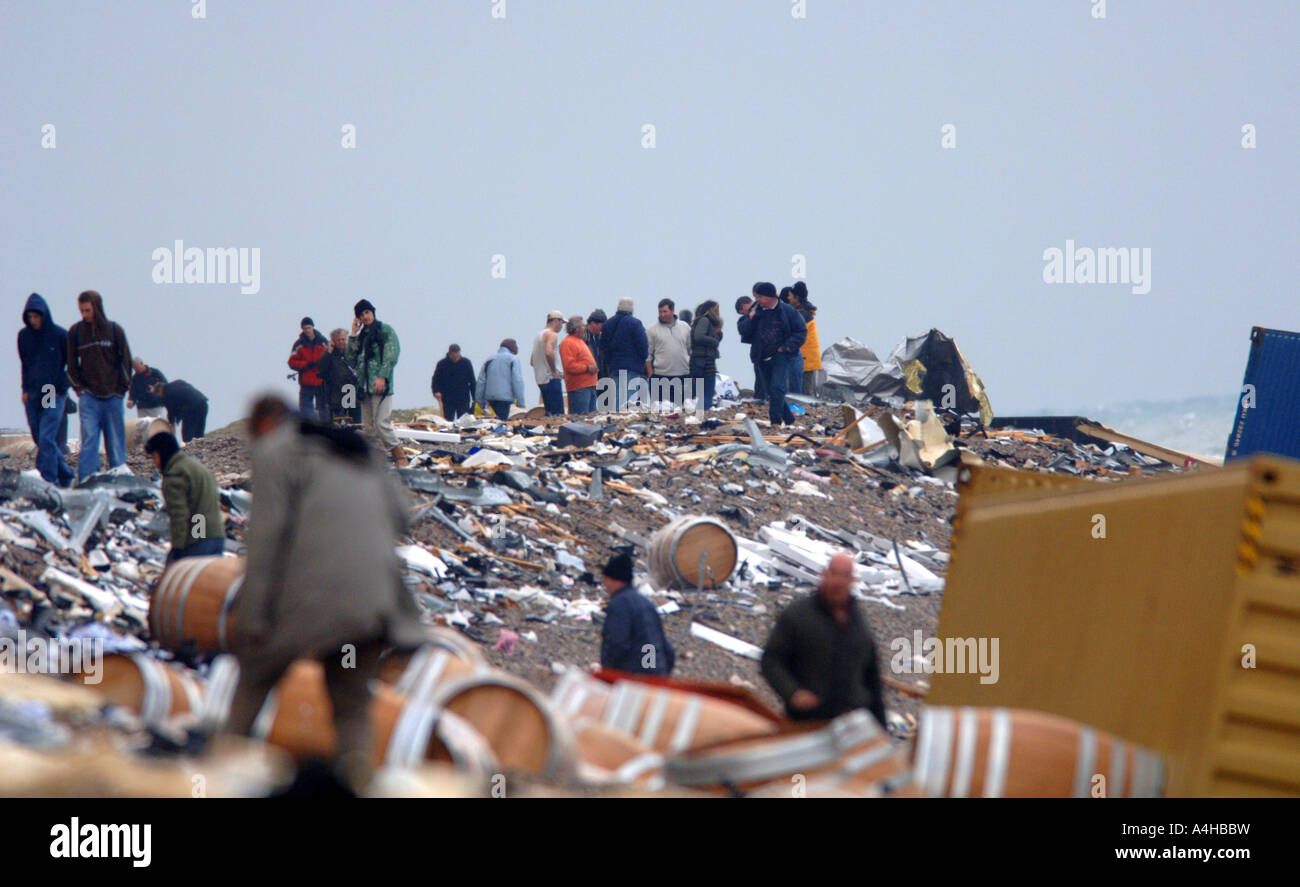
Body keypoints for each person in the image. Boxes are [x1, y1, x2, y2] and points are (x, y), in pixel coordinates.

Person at [222, 394, 427, 792]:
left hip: (316, 596)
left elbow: (267, 537)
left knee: (253, 679)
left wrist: (252, 618)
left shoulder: (277, 450)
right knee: (351, 705)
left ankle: (223, 772)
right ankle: (358, 779)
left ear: (265, 423)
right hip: (376, 604)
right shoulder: (351, 449)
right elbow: (403, 515)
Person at [760, 552, 887, 726]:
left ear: (853, 581)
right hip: (807, 722)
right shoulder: (798, 615)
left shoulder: (857, 621)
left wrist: (881, 726)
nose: (838, 582)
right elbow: (771, 660)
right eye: (834, 573)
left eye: (845, 576)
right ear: (824, 575)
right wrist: (793, 693)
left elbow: (872, 676)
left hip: (851, 723)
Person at [66, 290, 132, 482]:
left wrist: (122, 390)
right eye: (81, 311)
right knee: (89, 441)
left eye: (87, 310)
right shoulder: (75, 332)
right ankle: (88, 480)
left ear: (97, 307)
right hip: (89, 398)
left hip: (113, 396)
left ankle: (119, 479)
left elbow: (125, 361)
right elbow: (71, 366)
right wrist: (80, 390)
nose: (84, 315)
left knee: (116, 443)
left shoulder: (114, 331)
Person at [16, 293, 75, 486]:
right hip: (32, 392)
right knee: (39, 437)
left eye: (37, 316)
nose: (34, 321)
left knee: (47, 434)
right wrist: (24, 388)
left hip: (51, 390)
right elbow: (25, 364)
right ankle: (65, 472)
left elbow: (72, 365)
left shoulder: (59, 335)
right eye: (30, 317)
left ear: (44, 314)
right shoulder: (24, 337)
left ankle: (47, 478)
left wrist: (62, 387)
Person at [145, 430, 224, 564]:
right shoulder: (197, 467)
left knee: (180, 580)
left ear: (162, 454)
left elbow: (179, 515)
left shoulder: (175, 473)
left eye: (154, 457)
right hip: (217, 536)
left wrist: (178, 550)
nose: (154, 462)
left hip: (199, 538)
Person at [345, 299, 405, 466]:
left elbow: (391, 355)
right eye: (361, 315)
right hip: (364, 387)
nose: (365, 317)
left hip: (381, 387)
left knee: (381, 424)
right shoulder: (361, 337)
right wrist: (353, 333)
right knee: (370, 429)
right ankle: (379, 462)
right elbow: (350, 357)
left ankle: (400, 456)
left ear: (372, 312)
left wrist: (382, 377)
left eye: (367, 313)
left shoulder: (385, 331)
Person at [738, 282, 806, 427]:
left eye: (760, 297)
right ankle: (789, 419)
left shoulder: (787, 311)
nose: (757, 300)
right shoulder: (755, 310)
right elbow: (743, 330)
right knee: (771, 391)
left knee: (777, 387)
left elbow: (801, 331)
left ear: (769, 297)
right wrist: (750, 318)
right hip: (761, 356)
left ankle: (775, 421)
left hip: (781, 355)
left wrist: (786, 347)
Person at [599, 553, 675, 676]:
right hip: (656, 673)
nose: (604, 585)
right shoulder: (647, 604)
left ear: (614, 580)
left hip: (635, 677)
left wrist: (607, 673)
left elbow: (617, 643)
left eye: (605, 579)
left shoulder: (620, 603)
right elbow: (666, 648)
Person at [601, 297, 649, 409]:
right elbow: (643, 346)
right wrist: (643, 361)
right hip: (632, 367)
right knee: (628, 398)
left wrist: (609, 362)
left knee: (617, 394)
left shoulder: (608, 324)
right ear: (631, 309)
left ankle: (616, 418)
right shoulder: (635, 323)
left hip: (615, 367)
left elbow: (603, 347)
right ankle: (623, 419)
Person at [645, 298, 692, 406]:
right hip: (660, 376)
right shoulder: (651, 330)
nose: (662, 315)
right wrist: (650, 373)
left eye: (665, 311)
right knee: (660, 410)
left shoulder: (685, 327)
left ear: (672, 310)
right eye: (660, 312)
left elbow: (691, 350)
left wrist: (692, 371)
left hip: (682, 375)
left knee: (683, 409)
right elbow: (648, 354)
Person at [288, 317, 329, 423]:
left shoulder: (323, 342)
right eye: (304, 328)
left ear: (313, 327)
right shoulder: (298, 344)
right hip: (306, 383)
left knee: (324, 412)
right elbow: (291, 362)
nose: (307, 330)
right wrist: (306, 365)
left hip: (321, 383)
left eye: (309, 327)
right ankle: (309, 435)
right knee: (306, 413)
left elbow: (331, 358)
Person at [317, 328, 361, 423]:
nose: (341, 342)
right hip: (335, 393)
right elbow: (321, 369)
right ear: (333, 341)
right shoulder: (329, 354)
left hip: (351, 391)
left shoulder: (353, 353)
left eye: (343, 339)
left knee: (355, 421)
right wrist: (329, 351)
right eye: (338, 340)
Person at [476, 338, 526, 420]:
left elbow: (481, 381)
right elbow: (517, 381)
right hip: (505, 400)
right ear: (513, 350)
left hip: (490, 399)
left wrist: (480, 402)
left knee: (493, 423)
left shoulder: (489, 359)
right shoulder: (513, 359)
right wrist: (521, 403)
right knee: (502, 425)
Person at [559, 316, 598, 414]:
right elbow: (569, 366)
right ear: (576, 329)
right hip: (579, 388)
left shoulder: (580, 341)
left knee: (591, 420)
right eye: (583, 326)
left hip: (590, 386)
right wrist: (587, 368)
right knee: (581, 420)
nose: (585, 328)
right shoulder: (567, 343)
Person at [689, 300, 723, 411]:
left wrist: (718, 333)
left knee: (704, 391)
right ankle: (705, 412)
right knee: (707, 390)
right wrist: (714, 340)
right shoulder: (704, 320)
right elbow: (699, 336)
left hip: (702, 360)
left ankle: (703, 413)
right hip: (703, 361)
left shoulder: (703, 321)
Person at [530, 311, 566, 416]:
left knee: (549, 413)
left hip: (540, 379)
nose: (561, 326)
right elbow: (549, 352)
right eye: (561, 323)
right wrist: (554, 371)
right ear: (556, 320)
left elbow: (532, 361)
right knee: (557, 415)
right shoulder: (552, 334)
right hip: (551, 378)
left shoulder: (538, 336)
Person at [430, 344, 476, 421]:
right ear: (450, 354)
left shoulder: (466, 363)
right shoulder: (442, 364)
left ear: (459, 353)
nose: (455, 356)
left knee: (463, 421)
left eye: (457, 354)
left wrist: (474, 397)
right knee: (447, 421)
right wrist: (436, 391)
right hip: (447, 399)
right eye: (453, 354)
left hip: (463, 398)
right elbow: (435, 379)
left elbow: (472, 381)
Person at [791, 282, 822, 395]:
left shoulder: (803, 315)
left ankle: (805, 411)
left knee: (805, 391)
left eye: (791, 295)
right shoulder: (804, 312)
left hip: (806, 358)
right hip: (807, 358)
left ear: (797, 297)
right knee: (805, 389)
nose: (788, 298)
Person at [734, 295, 766, 402]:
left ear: (743, 306)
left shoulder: (760, 310)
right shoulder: (758, 311)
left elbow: (744, 330)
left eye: (743, 312)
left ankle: (762, 400)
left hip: (763, 352)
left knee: (762, 380)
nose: (744, 315)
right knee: (761, 379)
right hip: (761, 352)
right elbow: (744, 330)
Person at [780, 287, 804, 396]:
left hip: (791, 354)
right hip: (792, 354)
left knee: (791, 388)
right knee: (792, 389)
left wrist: (785, 347)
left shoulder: (789, 312)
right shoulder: (794, 312)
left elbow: (800, 333)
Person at [584, 309, 610, 382]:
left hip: (601, 377)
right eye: (601, 326)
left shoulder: (601, 337)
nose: (602, 329)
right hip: (587, 376)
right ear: (593, 323)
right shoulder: (583, 337)